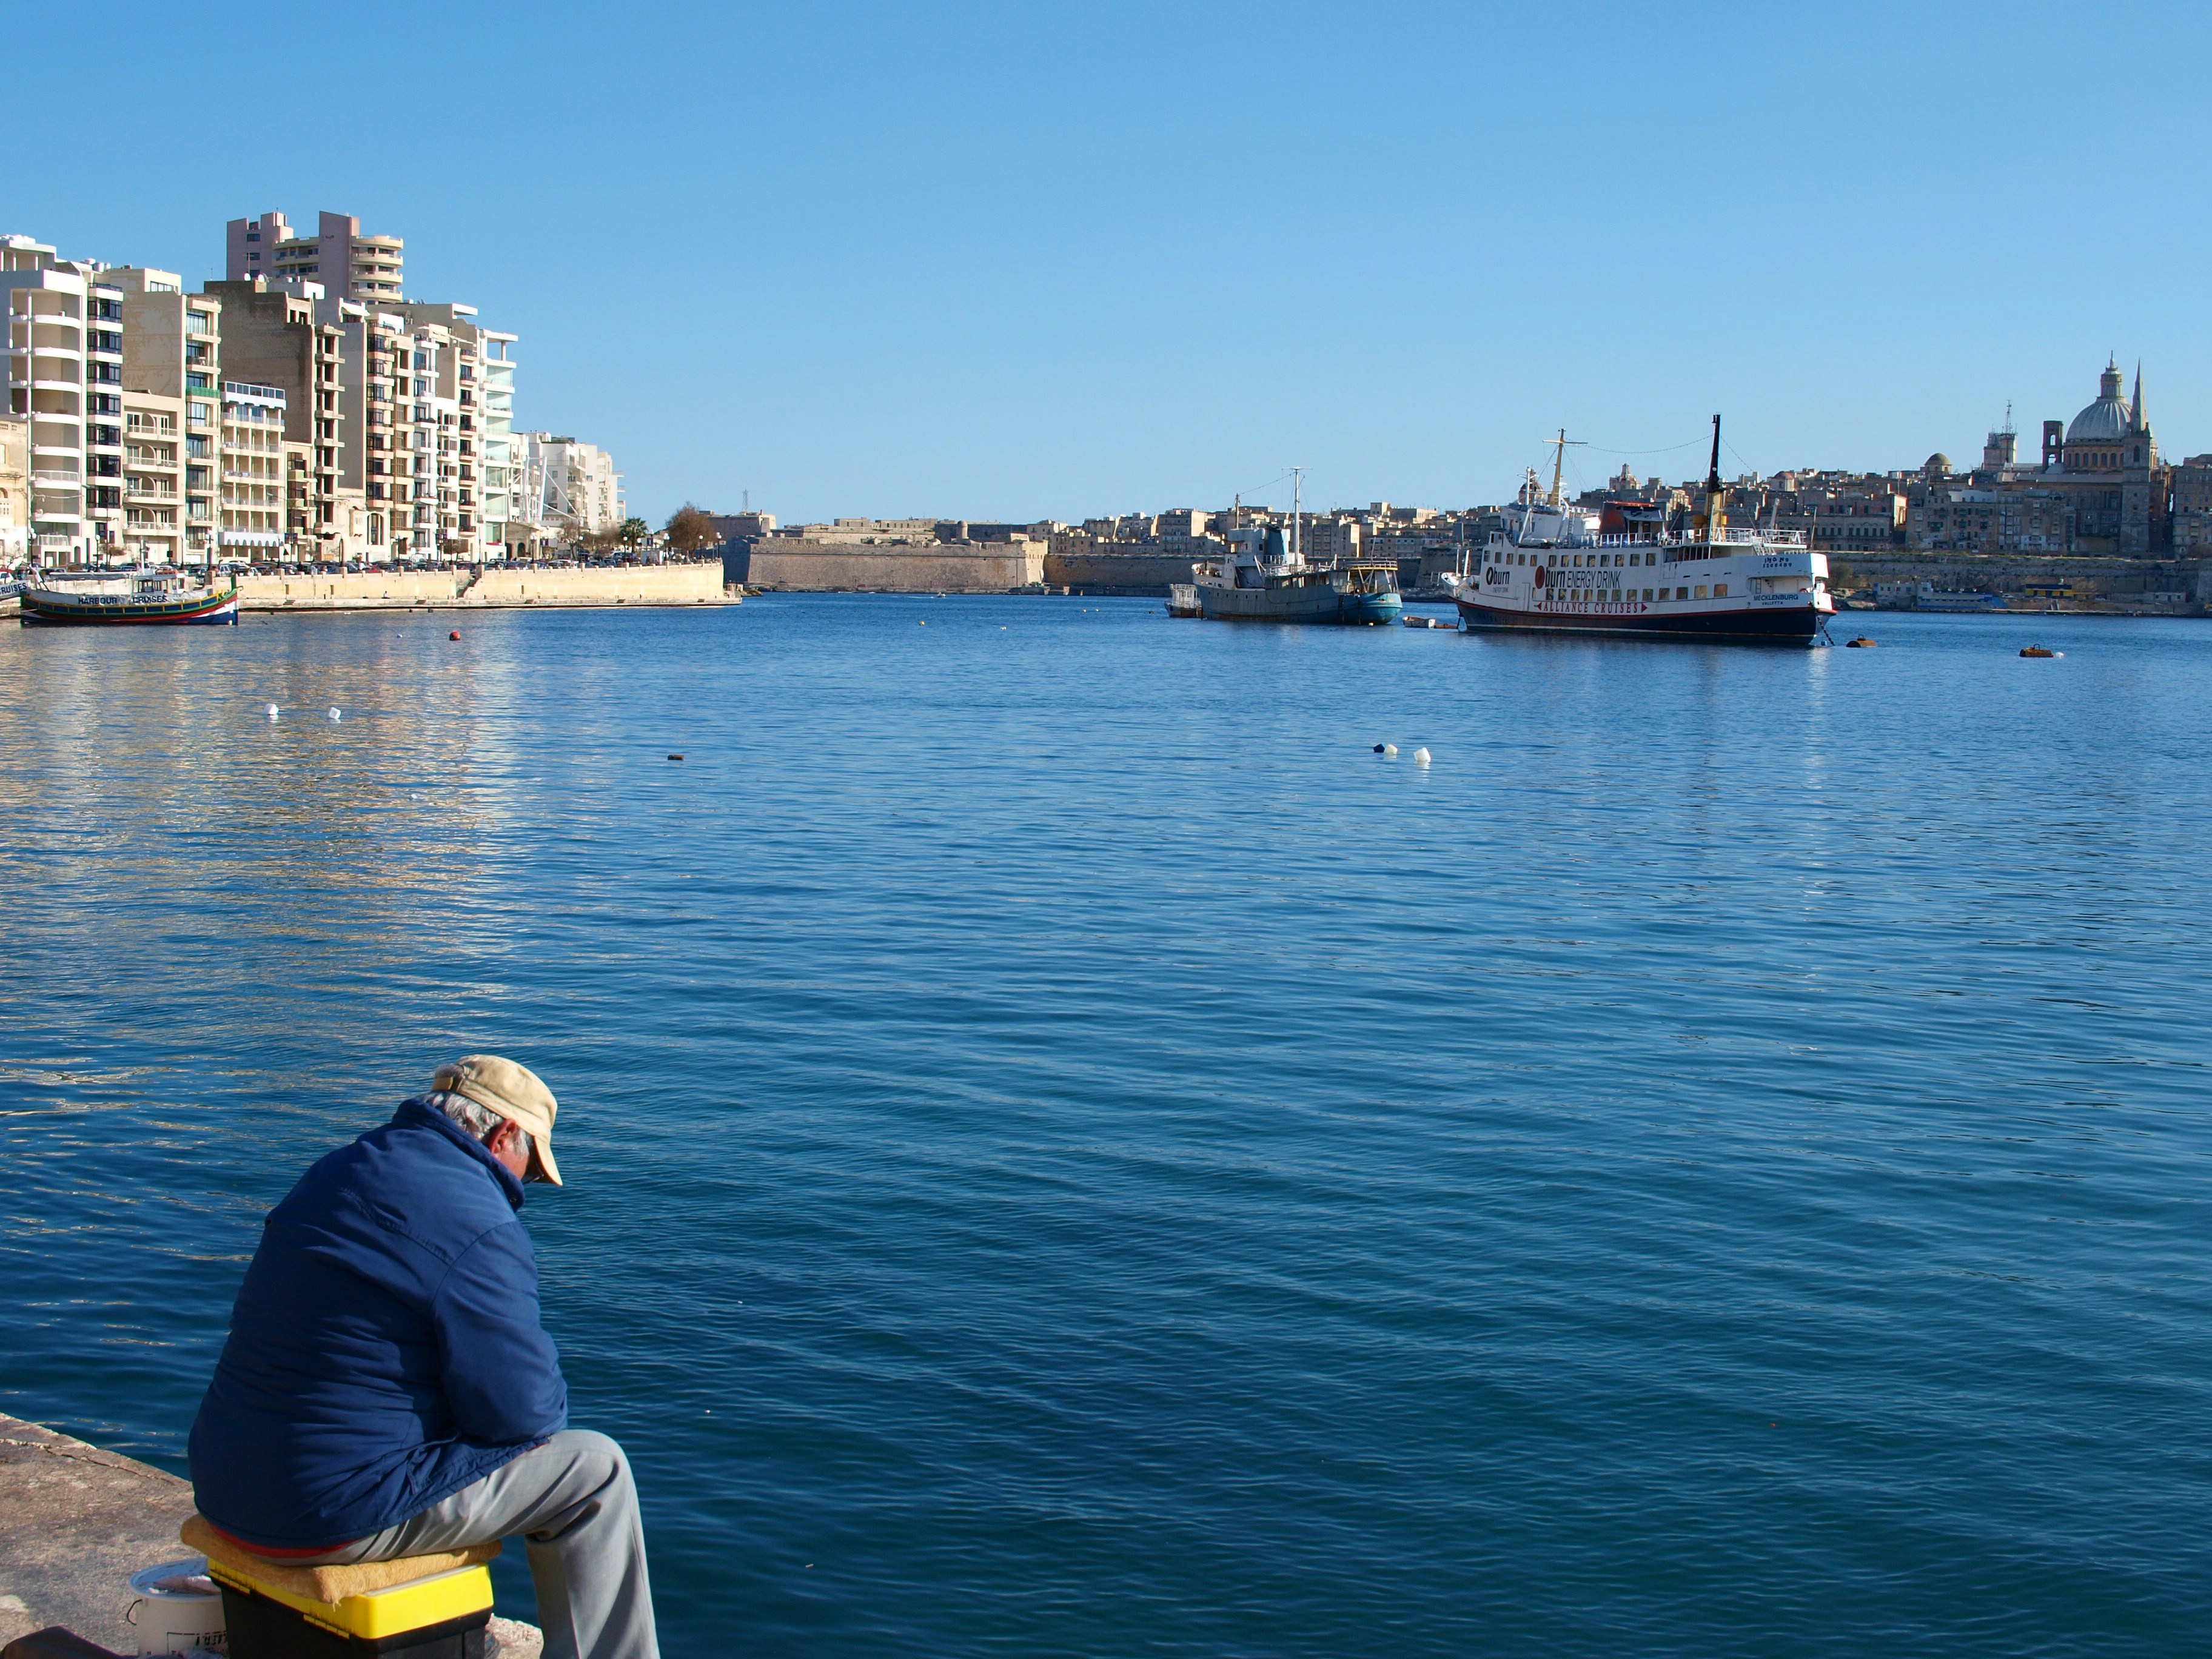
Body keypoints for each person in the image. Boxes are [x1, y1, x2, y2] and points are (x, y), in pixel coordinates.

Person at [189, 1056, 656, 1659]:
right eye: (531, 1168)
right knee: (595, 1472)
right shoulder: (478, 1223)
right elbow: (527, 1418)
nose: (525, 1188)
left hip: (226, 1482)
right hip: (324, 1512)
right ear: (502, 1135)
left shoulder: (337, 1170)